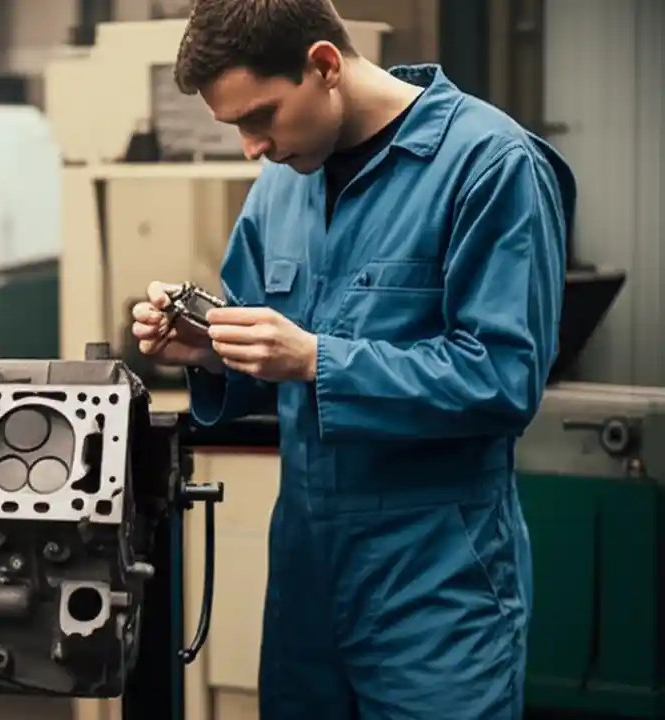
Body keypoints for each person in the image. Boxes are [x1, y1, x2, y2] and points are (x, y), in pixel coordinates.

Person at [131, 1, 572, 717]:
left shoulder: (490, 166)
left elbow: (502, 378)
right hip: (307, 580)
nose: (251, 146)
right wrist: (209, 352)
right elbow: (261, 354)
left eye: (260, 117)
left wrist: (315, 359)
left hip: (436, 586)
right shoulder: (283, 183)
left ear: (325, 66)